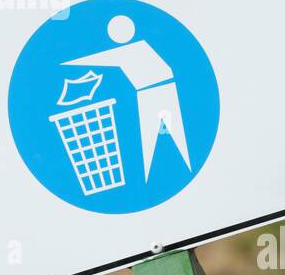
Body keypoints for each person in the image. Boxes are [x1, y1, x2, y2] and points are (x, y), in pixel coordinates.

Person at [62, 15, 190, 182]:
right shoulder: (138, 51)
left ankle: (158, 175)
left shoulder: (137, 51)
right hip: (155, 91)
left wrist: (74, 63)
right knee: (159, 150)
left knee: (164, 149)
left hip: (157, 92)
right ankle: (156, 175)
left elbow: (111, 58)